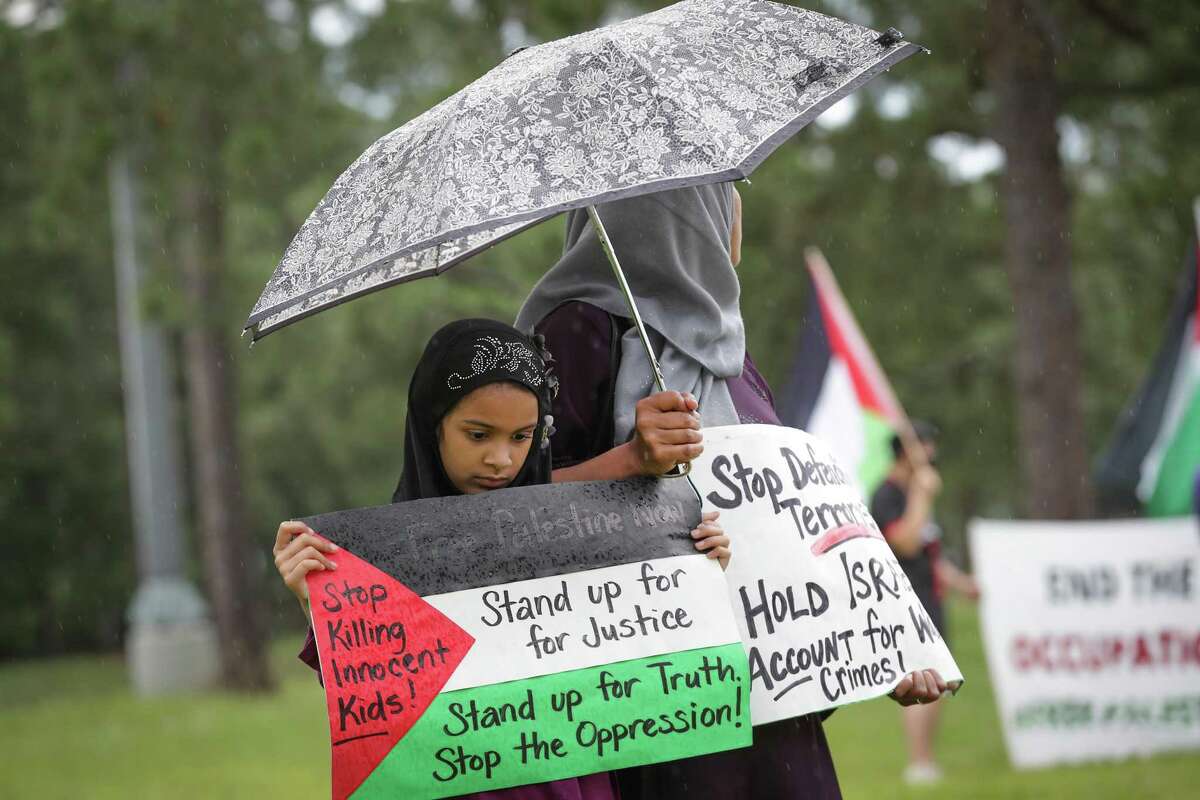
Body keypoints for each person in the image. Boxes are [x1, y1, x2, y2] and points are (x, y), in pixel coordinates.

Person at [517, 183, 944, 800]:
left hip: (770, 708)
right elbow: (506, 515)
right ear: (682, 211)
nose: (738, 208)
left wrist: (877, 645)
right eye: (728, 191)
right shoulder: (576, 333)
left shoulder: (729, 352)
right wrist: (630, 460)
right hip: (655, 701)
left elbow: (779, 520)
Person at [272, 318, 730, 800]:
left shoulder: (580, 532)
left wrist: (693, 571)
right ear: (433, 428)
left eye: (521, 437)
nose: (501, 460)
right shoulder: (387, 554)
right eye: (478, 434)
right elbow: (372, 711)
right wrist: (321, 600)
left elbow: (642, 647)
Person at [870, 421, 979, 786]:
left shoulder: (913, 492)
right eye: (925, 449)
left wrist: (964, 584)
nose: (931, 459)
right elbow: (906, 543)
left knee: (940, 683)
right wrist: (922, 496)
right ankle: (918, 762)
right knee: (922, 682)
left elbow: (930, 555)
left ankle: (927, 760)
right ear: (907, 452)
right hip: (908, 603)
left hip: (931, 599)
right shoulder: (886, 496)